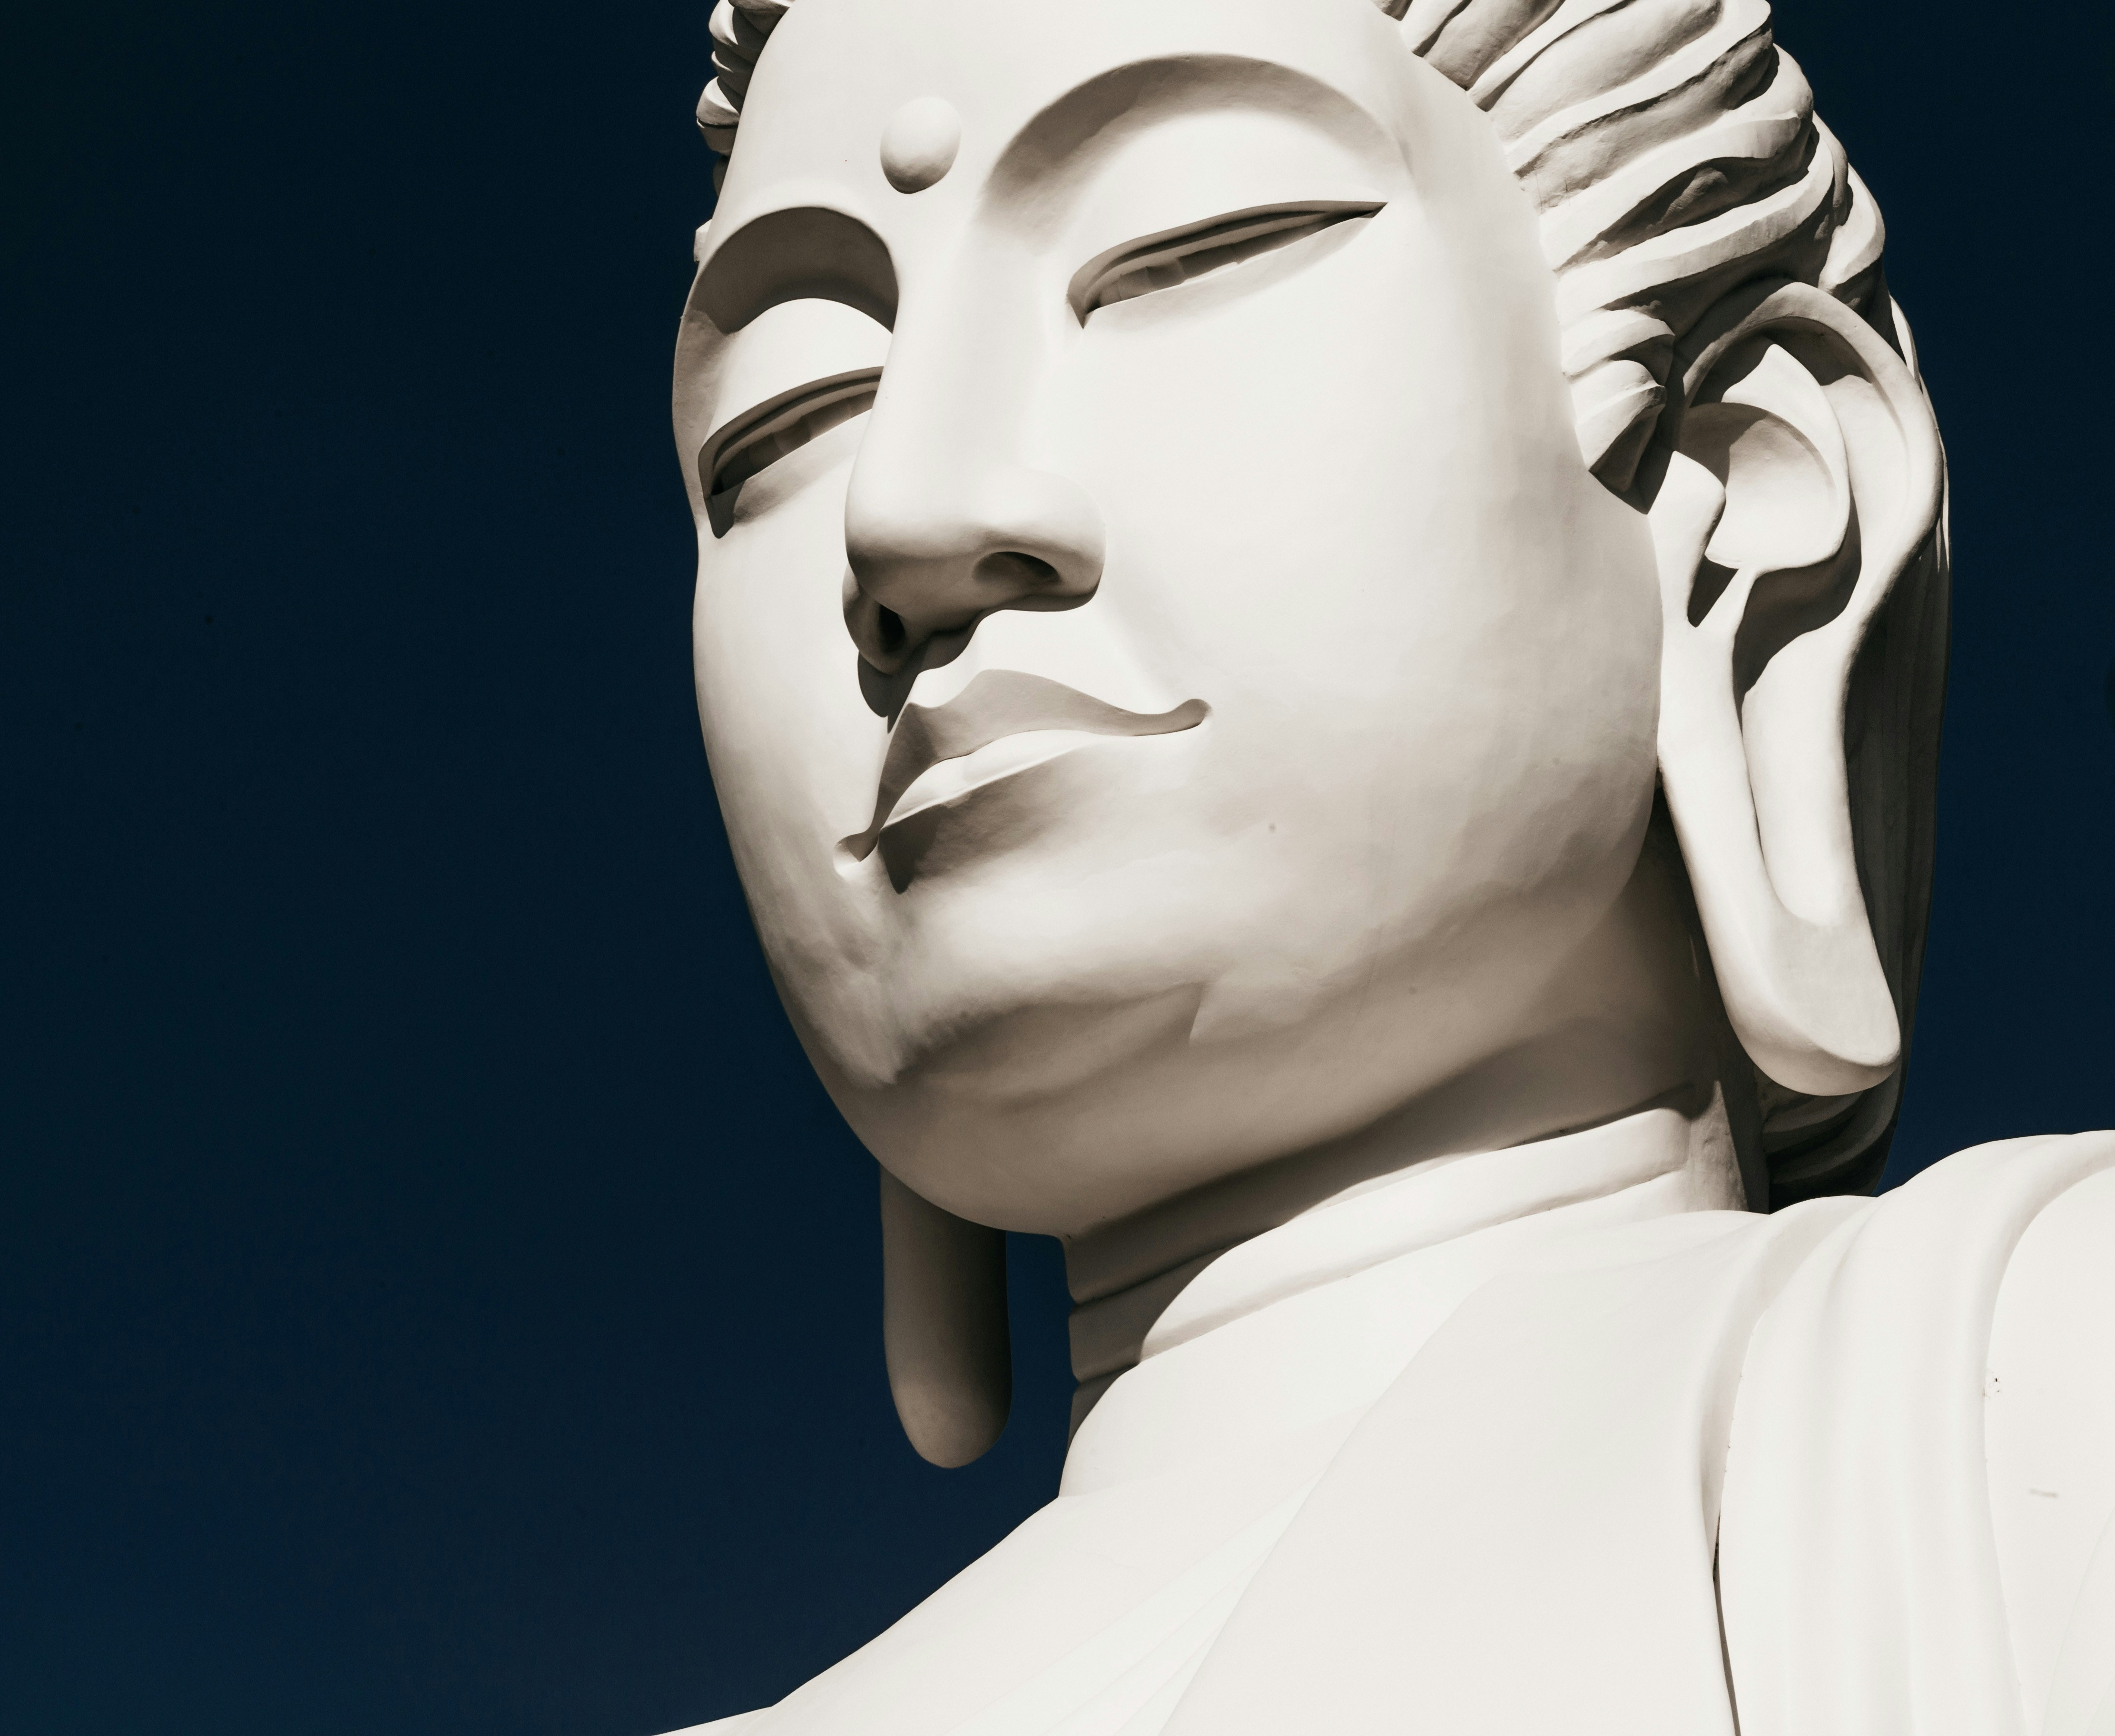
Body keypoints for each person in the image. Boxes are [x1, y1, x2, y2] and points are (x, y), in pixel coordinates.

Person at [665, 0, 2114, 1728]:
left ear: (1742, 513)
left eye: (1189, 246)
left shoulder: (2010, 1410)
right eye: (787, 414)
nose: (901, 516)